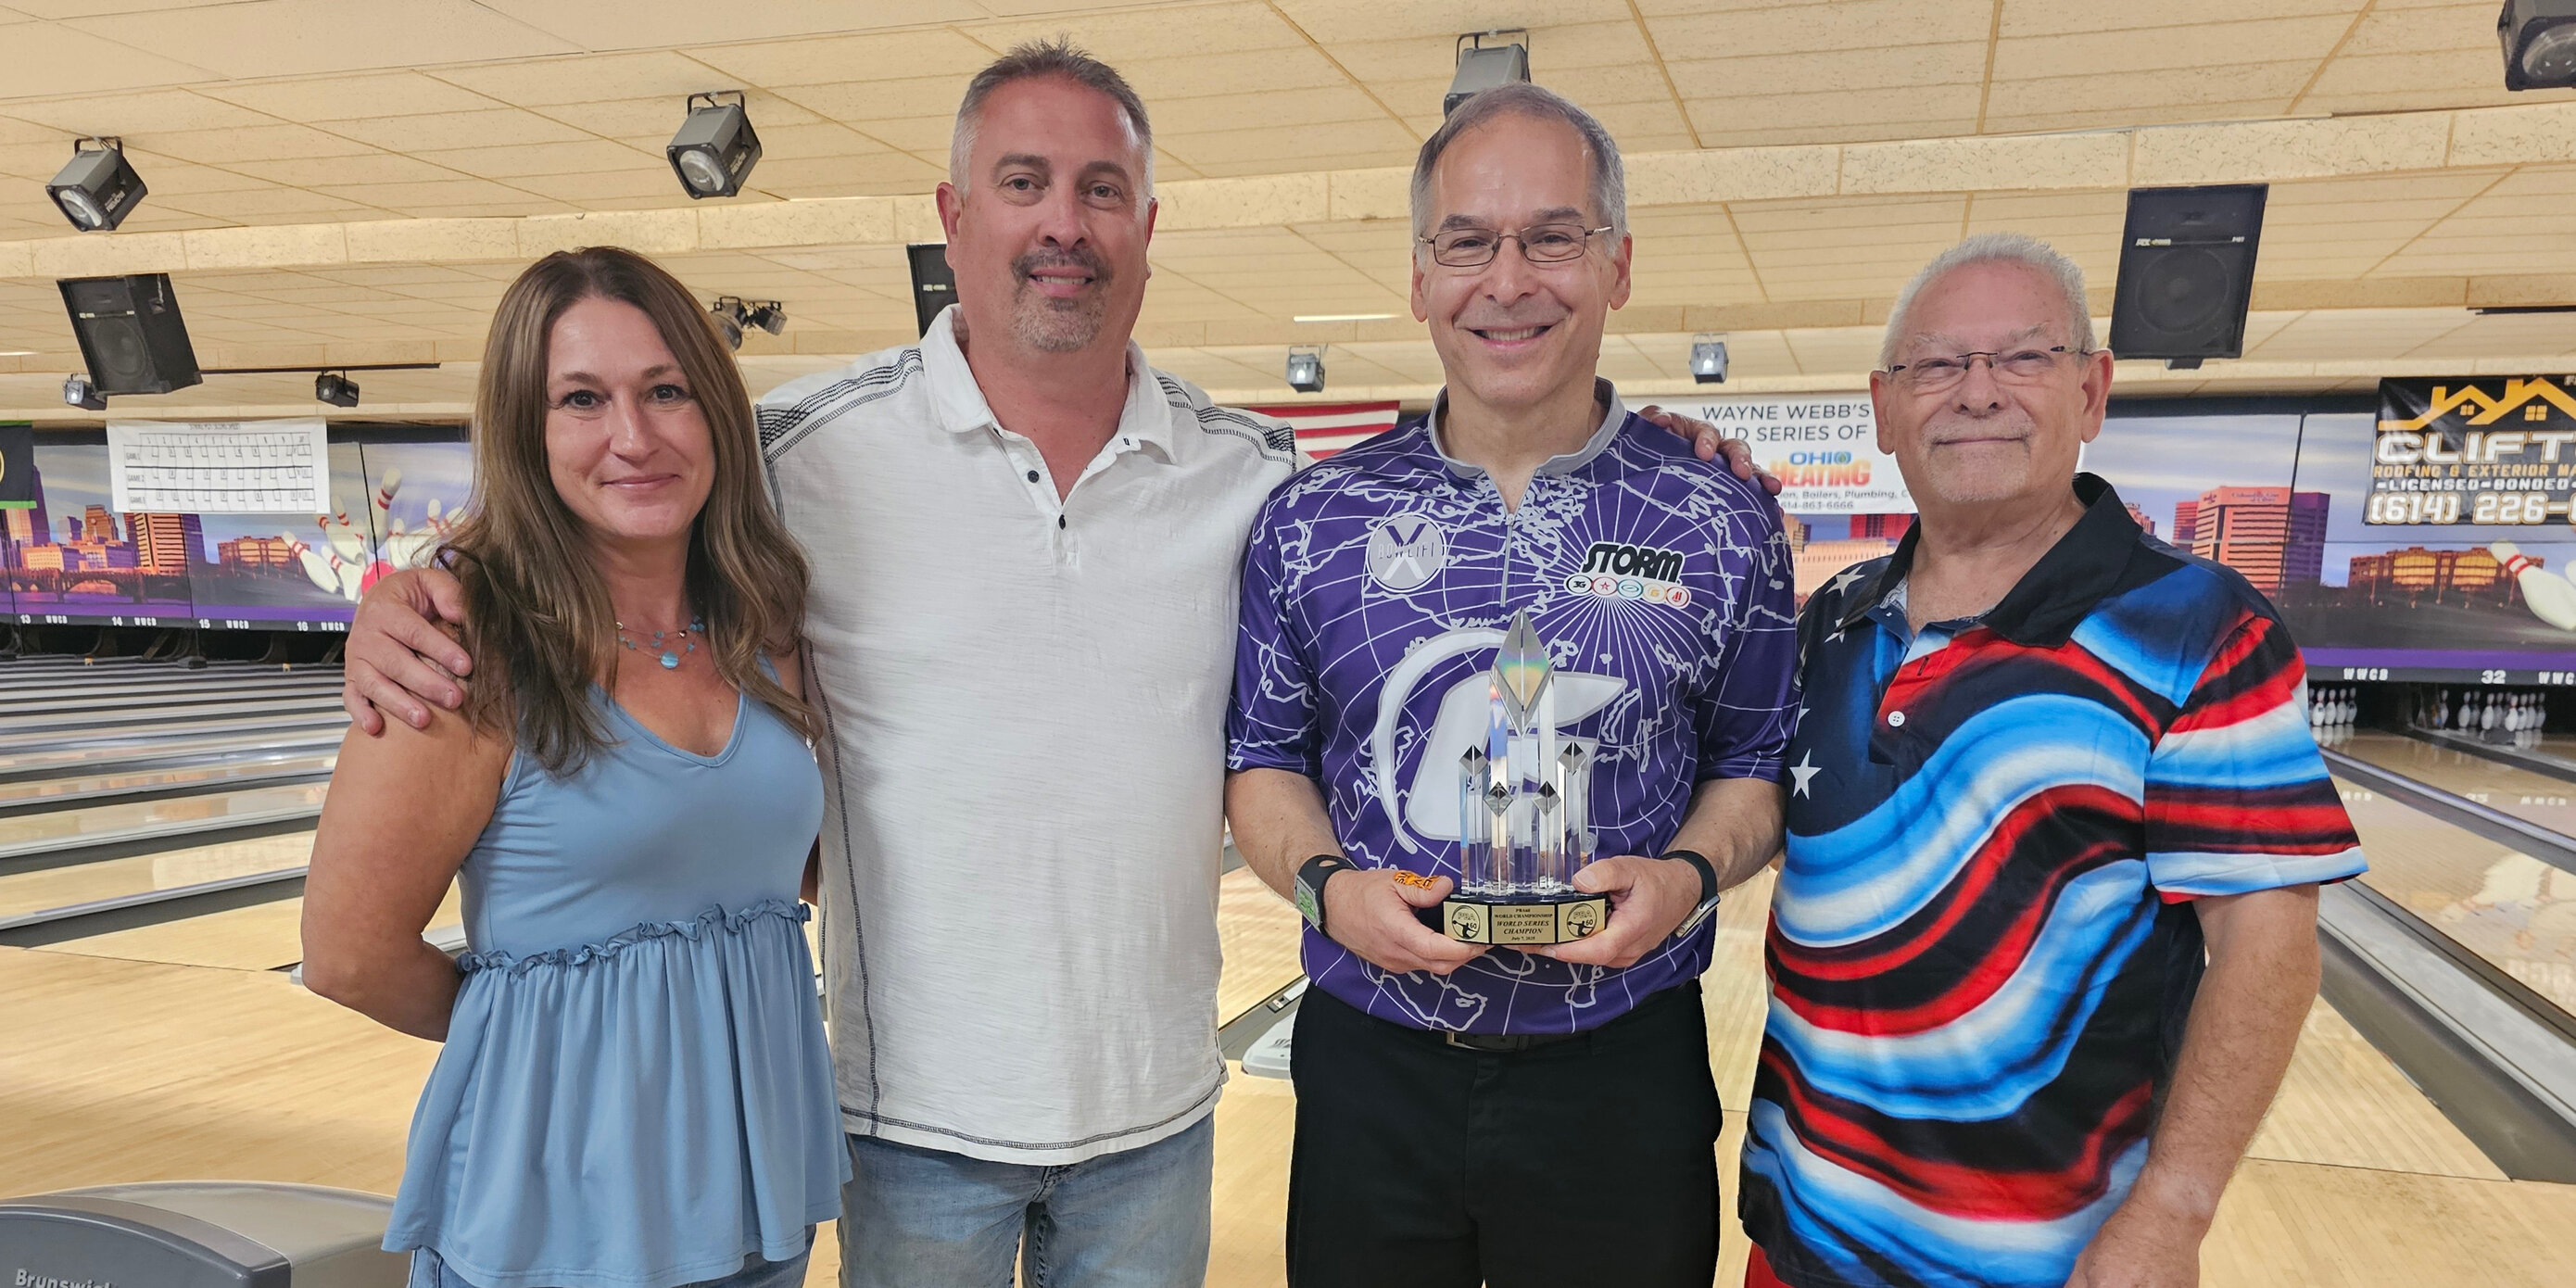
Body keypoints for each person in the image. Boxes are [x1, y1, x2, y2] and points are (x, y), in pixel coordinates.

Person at [336, 43, 1761, 1288]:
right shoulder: (800, 456)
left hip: (1156, 1116)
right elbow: (604, 489)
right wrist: (419, 586)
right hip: (905, 1130)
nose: (1061, 225)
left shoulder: (1257, 478)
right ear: (955, 217)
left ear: (1148, 225)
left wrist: (1671, 450)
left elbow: (1439, 504)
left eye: (1099, 192)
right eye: (1022, 184)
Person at [1222, 83, 1798, 1288]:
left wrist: (1687, 872)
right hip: (1370, 1066)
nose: (1509, 278)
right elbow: (1262, 760)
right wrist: (1328, 887)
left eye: (1552, 236)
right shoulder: (1310, 519)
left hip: (1621, 1066)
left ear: (1618, 265)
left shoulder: (1720, 514)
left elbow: (1752, 766)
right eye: (1469, 242)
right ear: (1422, 277)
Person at [1737, 233, 2368, 1288]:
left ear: (2090, 389)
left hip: (2043, 1258)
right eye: (1936, 365)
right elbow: (1764, 823)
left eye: (2020, 358)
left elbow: (2264, 945)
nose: (1975, 393)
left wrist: (2171, 1209)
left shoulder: (2194, 628)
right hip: (1801, 1232)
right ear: (1884, 408)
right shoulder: (1831, 621)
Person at [300, 246, 845, 1288]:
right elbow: (345, 952)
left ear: (715, 414)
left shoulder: (760, 619)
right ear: (526, 430)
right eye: (581, 399)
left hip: (754, 1186)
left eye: (666, 391)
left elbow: (789, 864)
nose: (632, 437)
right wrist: (547, 1039)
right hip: (556, 1216)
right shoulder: (466, 649)